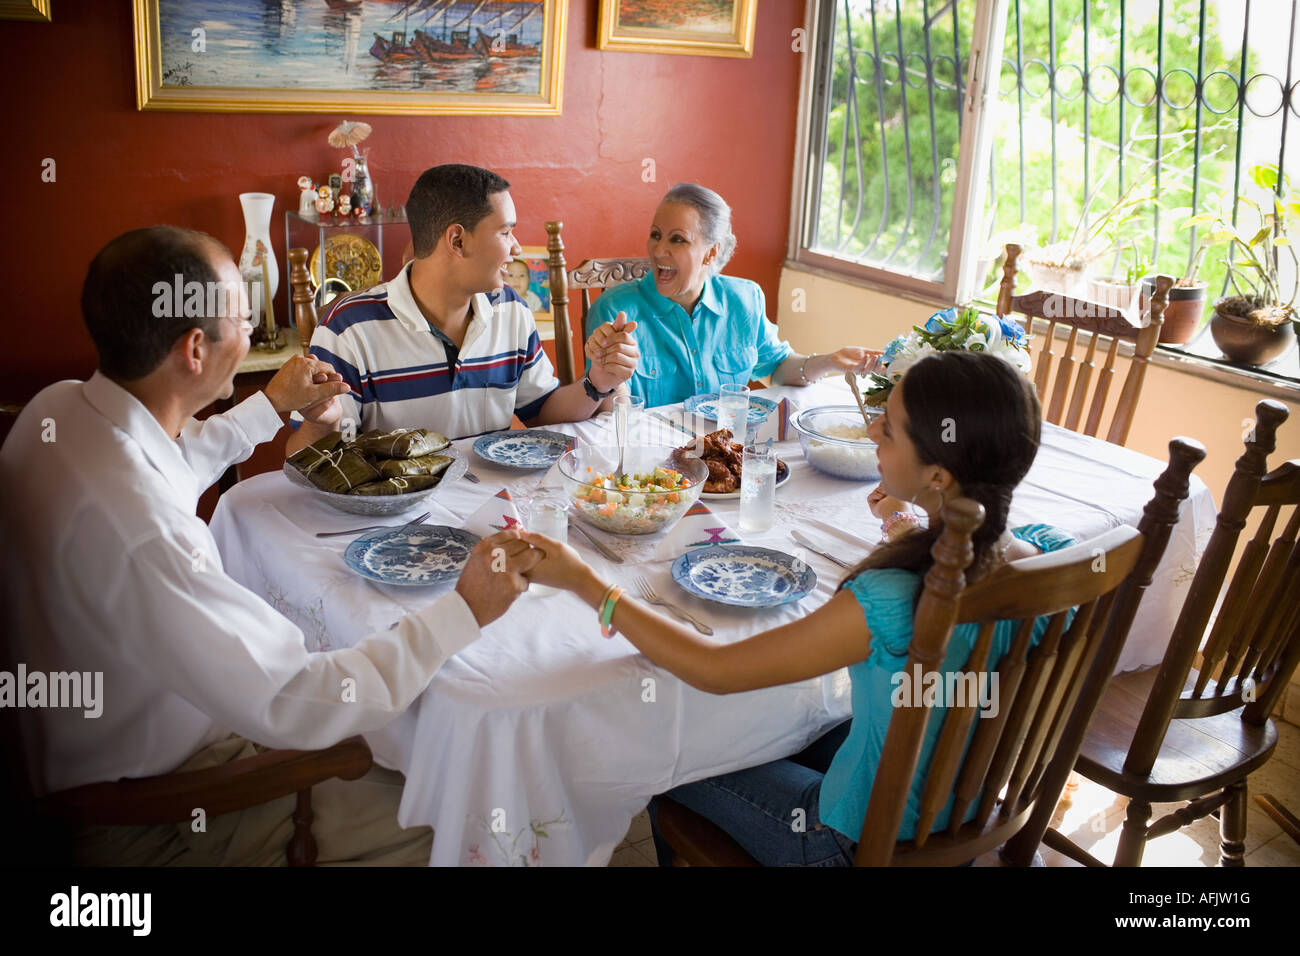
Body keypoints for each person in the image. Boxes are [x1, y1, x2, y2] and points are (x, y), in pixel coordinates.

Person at [0, 226, 542, 865]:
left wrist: (272, 403)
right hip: (164, 811)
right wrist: (464, 610)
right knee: (494, 819)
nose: (254, 329)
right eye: (242, 317)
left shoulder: (59, 412)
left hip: (93, 742)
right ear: (196, 348)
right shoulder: (146, 535)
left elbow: (170, 459)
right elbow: (296, 700)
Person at [519, 350, 1077, 866]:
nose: (872, 428)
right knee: (797, 722)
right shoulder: (1056, 554)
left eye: (891, 425)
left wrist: (588, 584)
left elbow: (715, 670)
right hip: (966, 806)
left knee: (665, 756)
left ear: (938, 475)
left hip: (846, 841)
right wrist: (912, 521)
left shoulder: (893, 599)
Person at [287, 165, 640, 455]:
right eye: (506, 232)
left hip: (492, 508)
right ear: (457, 240)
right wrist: (322, 423)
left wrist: (599, 381)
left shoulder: (511, 311)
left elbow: (542, 414)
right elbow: (305, 458)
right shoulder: (347, 330)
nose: (517, 247)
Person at [583, 182, 882, 409]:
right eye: (656, 234)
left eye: (677, 239)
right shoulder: (616, 310)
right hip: (653, 464)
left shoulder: (745, 299)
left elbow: (777, 369)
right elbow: (612, 411)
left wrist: (832, 360)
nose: (658, 250)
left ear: (711, 252)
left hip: (726, 455)